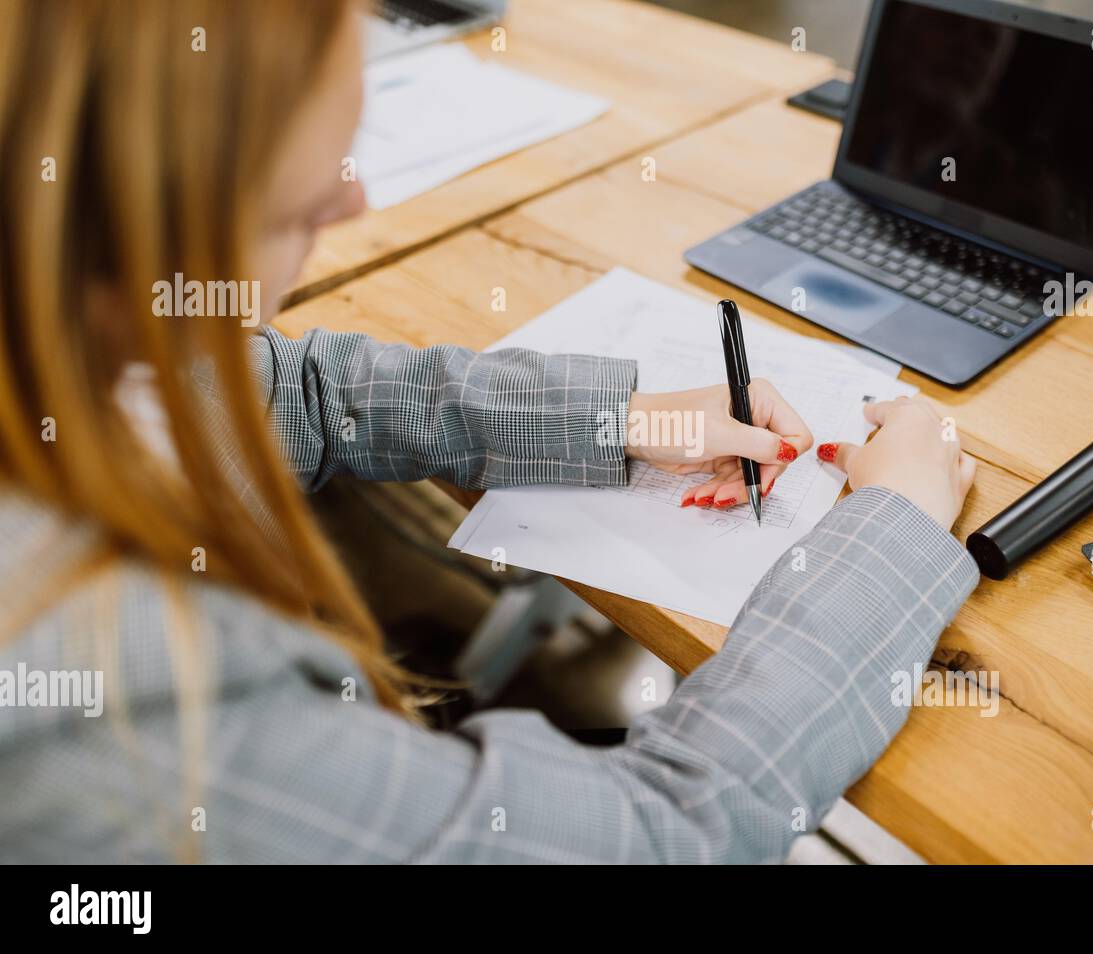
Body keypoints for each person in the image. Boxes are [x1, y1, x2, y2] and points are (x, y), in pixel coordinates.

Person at [0, 0, 977, 863]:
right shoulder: (113, 701)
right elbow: (663, 835)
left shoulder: (69, 311)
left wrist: (625, 418)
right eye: (294, 180)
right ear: (134, 188)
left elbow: (285, 391)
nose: (353, 200)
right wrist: (888, 526)